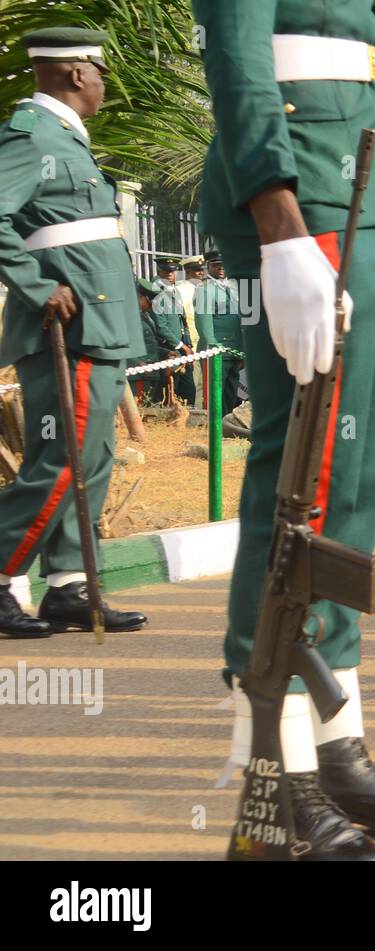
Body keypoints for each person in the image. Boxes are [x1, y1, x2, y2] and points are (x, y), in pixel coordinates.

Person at [193, 0, 375, 860]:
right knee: (299, 488)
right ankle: (271, 781)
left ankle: (337, 750)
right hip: (306, 193)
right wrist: (274, 220)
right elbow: (239, 55)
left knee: (356, 493)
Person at [0, 27, 148, 639]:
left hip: (101, 322)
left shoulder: (67, 139)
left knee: (91, 460)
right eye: (101, 73)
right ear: (77, 74)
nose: (104, 85)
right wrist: (38, 287)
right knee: (64, 462)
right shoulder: (33, 136)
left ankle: (66, 585)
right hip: (72, 322)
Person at [194, 251, 243, 410]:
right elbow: (204, 322)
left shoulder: (233, 288)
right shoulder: (205, 290)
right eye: (216, 265)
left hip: (234, 351)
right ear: (208, 267)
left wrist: (242, 351)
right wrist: (212, 347)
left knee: (230, 393)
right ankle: (212, 431)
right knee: (215, 395)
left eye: (224, 265)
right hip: (217, 351)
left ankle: (225, 431)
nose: (221, 268)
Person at [151, 258, 197, 405]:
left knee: (189, 391)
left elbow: (182, 321)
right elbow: (161, 326)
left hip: (182, 350)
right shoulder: (155, 291)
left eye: (173, 270)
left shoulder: (175, 290)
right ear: (159, 271)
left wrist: (188, 346)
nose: (170, 274)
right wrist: (181, 345)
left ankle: (188, 426)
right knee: (170, 393)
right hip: (167, 349)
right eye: (166, 271)